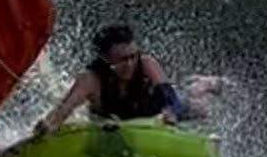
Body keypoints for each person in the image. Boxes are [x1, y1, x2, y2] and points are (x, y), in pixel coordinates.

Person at [32, 23, 187, 137]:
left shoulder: (146, 64)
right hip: (110, 127)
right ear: (105, 59)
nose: (130, 64)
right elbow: (64, 109)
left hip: (150, 122)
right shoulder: (91, 80)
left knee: (194, 105)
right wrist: (47, 126)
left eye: (133, 56)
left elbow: (171, 99)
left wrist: (171, 113)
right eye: (122, 60)